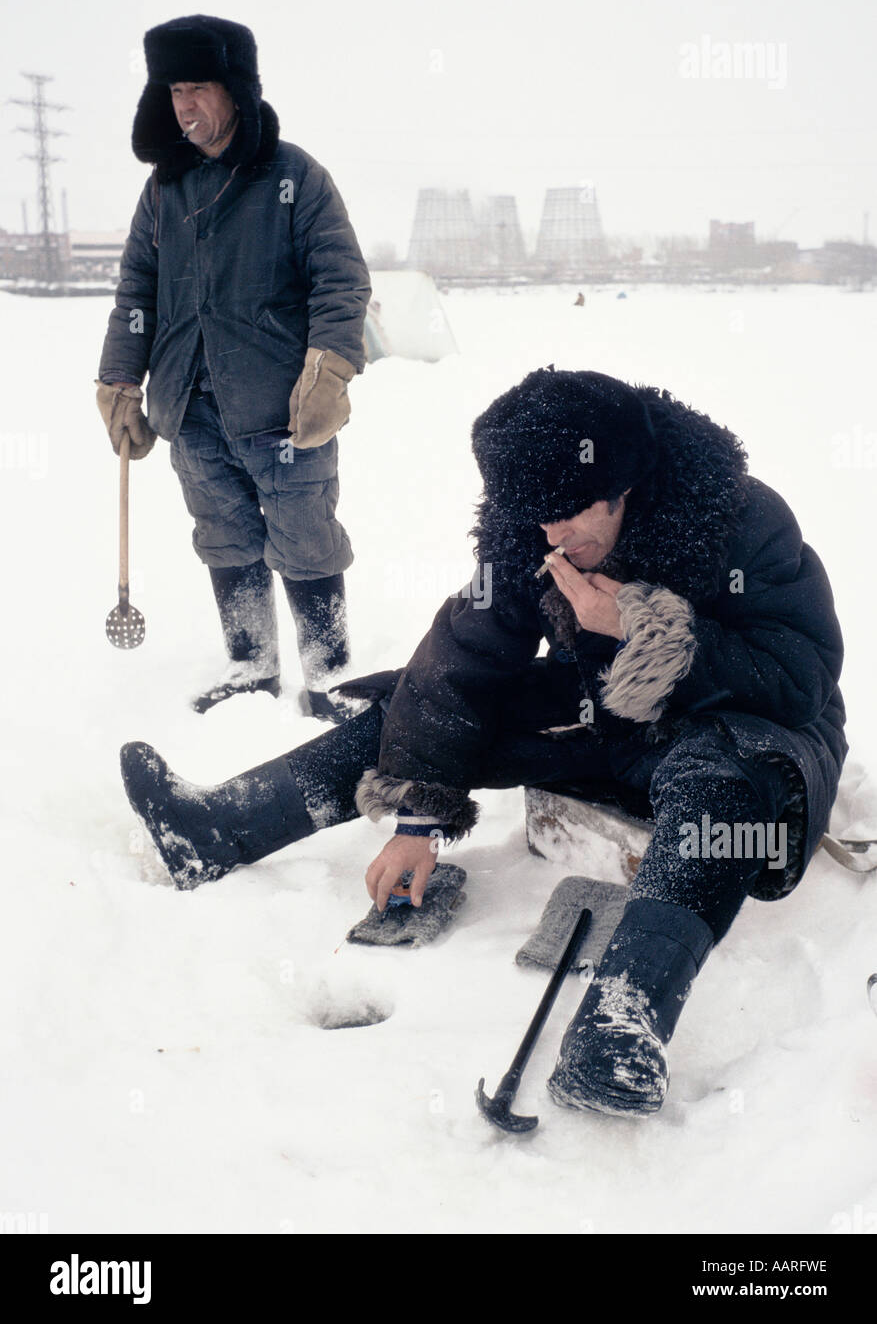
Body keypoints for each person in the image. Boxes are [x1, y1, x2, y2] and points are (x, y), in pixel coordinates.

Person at [119, 368, 847, 1119]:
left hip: (743, 734)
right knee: (417, 698)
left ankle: (619, 1028)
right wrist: (417, 818)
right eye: (535, 521)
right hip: (606, 718)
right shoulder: (528, 528)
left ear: (623, 486)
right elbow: (461, 662)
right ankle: (217, 827)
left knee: (714, 790)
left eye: (568, 517)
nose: (551, 537)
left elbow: (799, 680)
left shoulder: (737, 519)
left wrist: (642, 628)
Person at [95, 15, 371, 722]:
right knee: (221, 532)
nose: (184, 105)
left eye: (197, 88)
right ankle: (251, 667)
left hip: (282, 405)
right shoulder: (164, 189)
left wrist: (328, 370)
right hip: (187, 403)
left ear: (236, 91)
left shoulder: (292, 176)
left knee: (305, 536)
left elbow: (340, 280)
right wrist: (119, 379)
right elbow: (136, 291)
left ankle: (327, 673)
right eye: (173, 89)